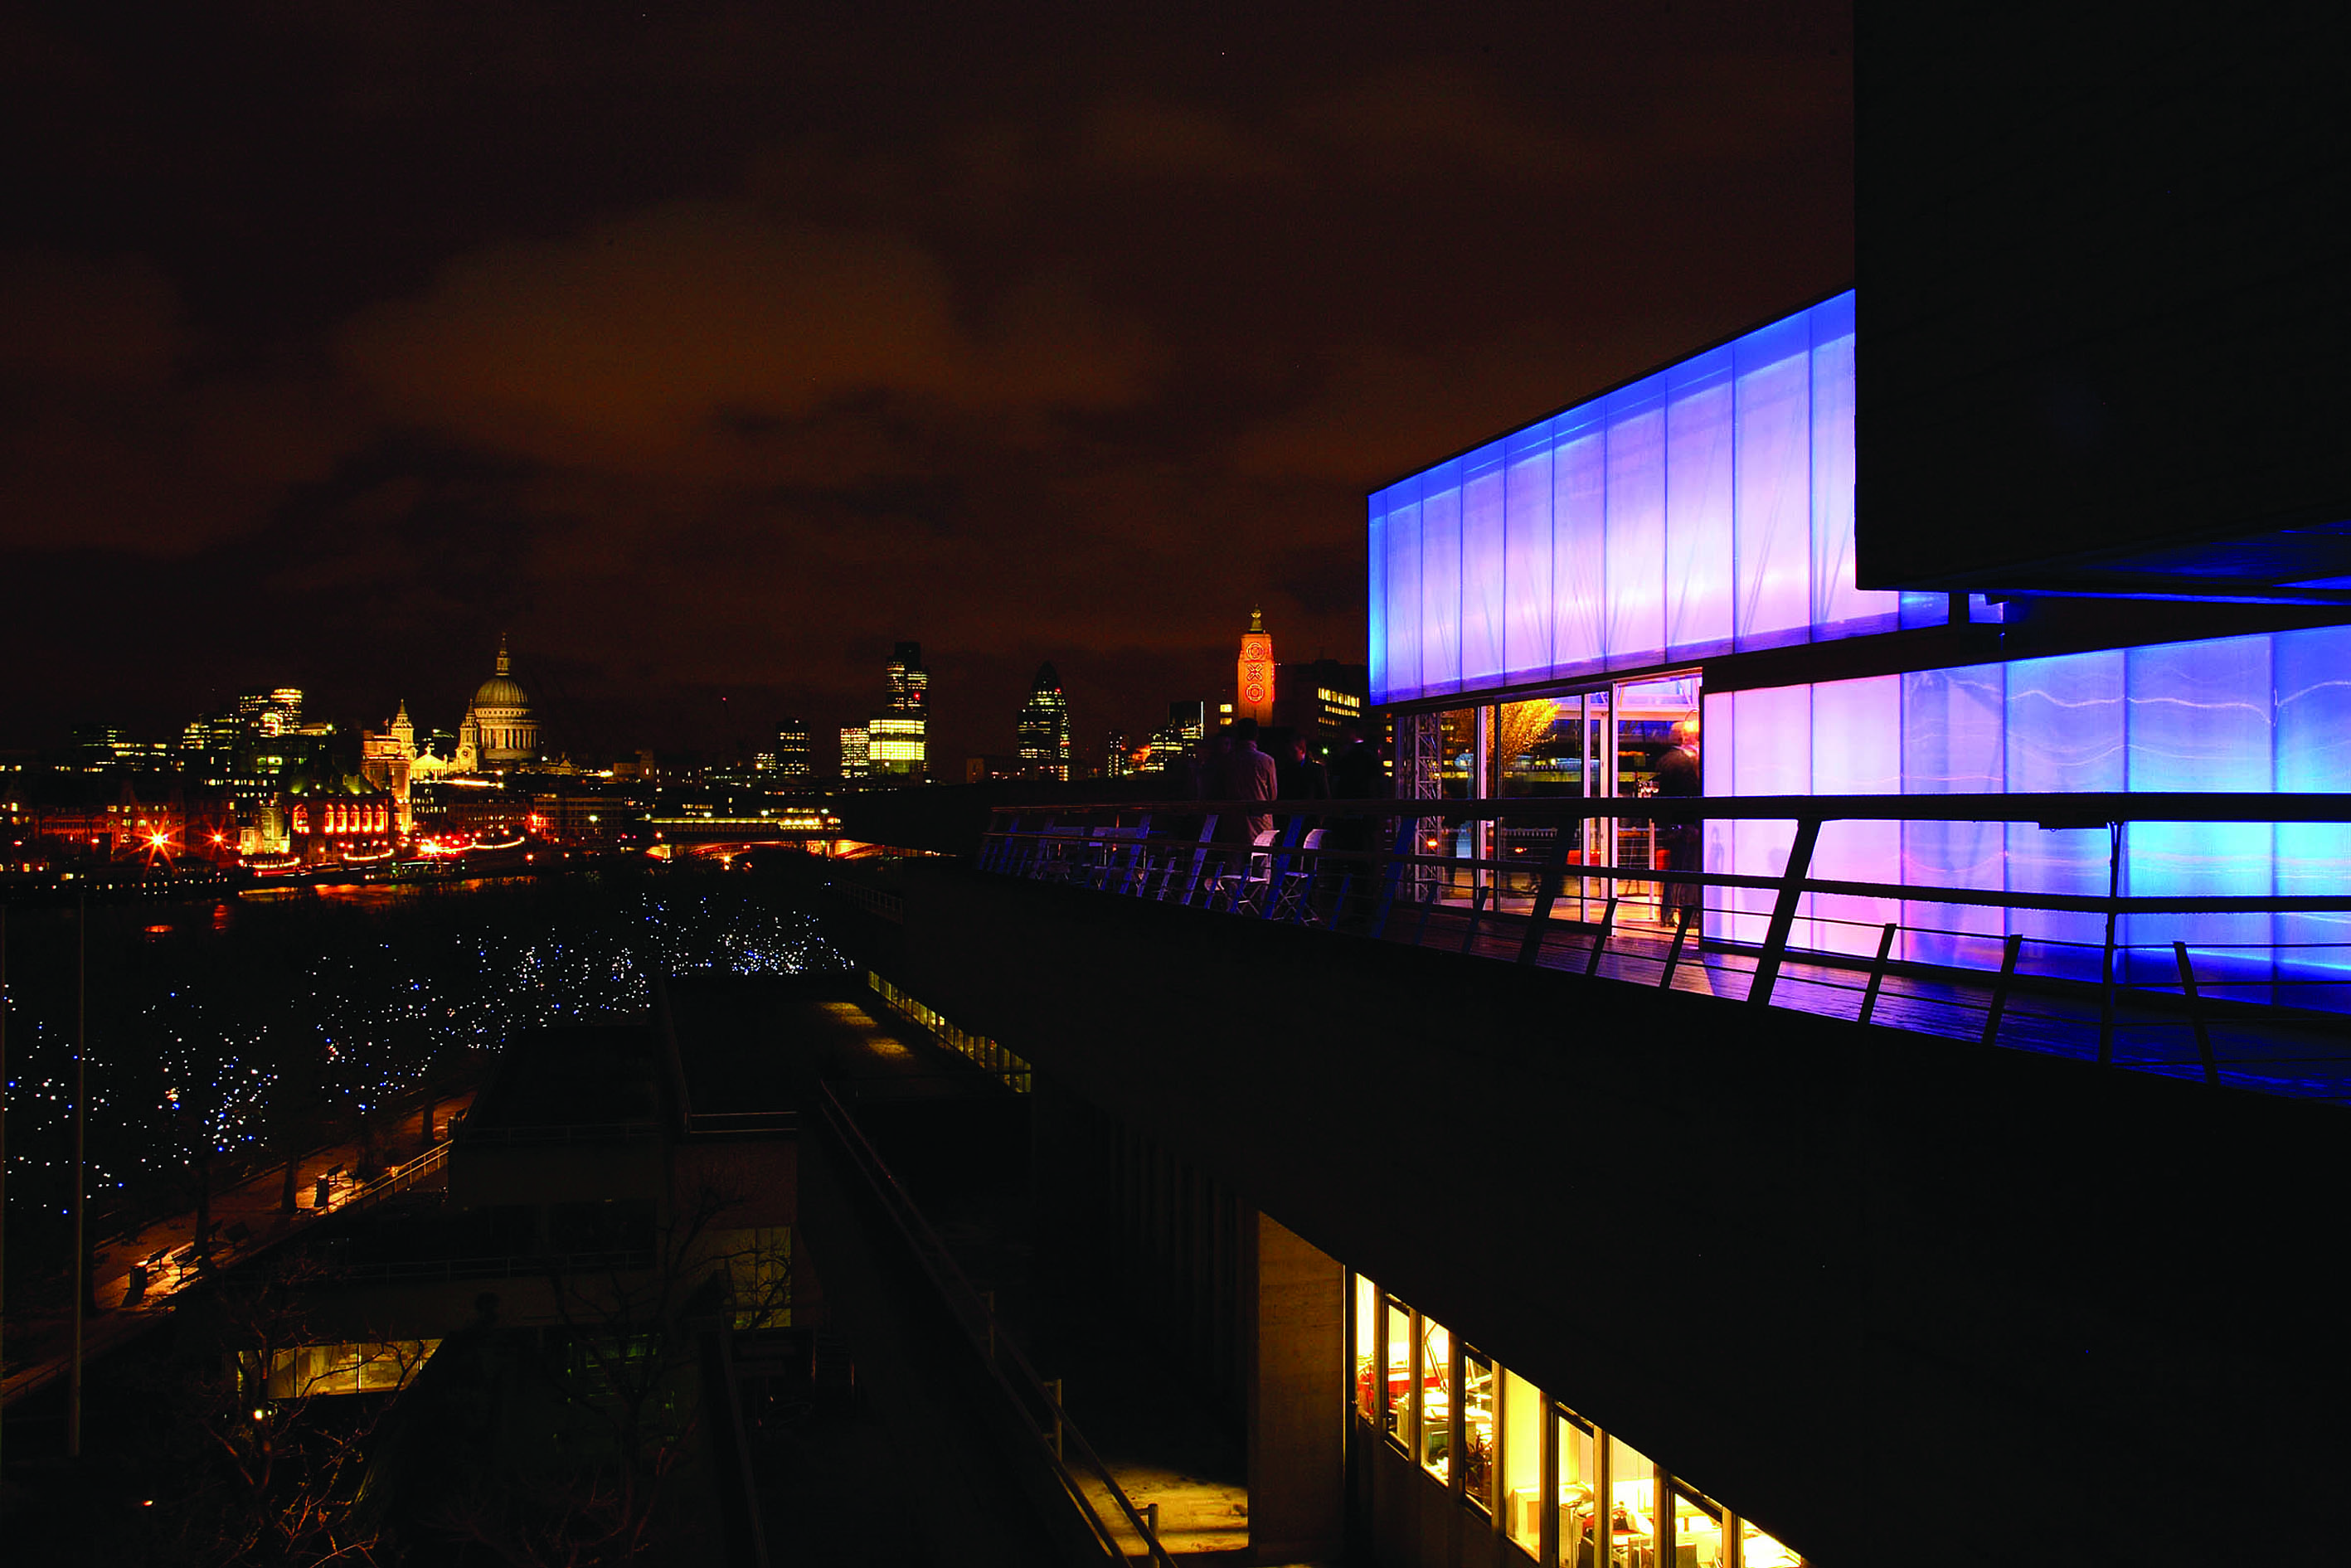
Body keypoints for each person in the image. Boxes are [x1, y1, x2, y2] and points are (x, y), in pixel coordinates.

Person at [1650, 719, 1703, 921]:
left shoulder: (1673, 759)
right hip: (1685, 823)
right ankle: (1684, 914)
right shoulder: (1678, 760)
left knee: (1682, 868)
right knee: (1685, 868)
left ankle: (1675, 913)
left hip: (1682, 823)